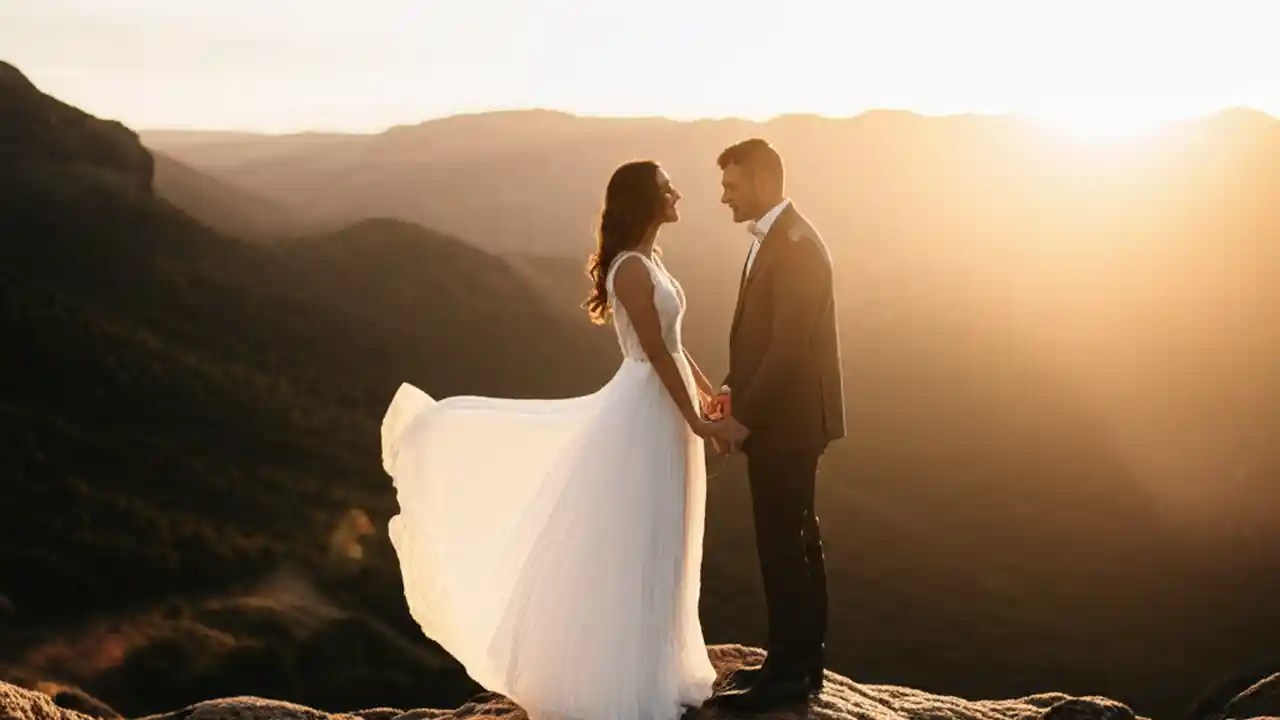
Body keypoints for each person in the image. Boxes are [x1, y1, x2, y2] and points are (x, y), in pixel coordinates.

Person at [380, 160, 719, 720]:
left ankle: (662, 660)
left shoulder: (651, 259)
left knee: (670, 530)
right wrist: (699, 419)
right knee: (644, 532)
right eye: (666, 187)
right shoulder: (632, 268)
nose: (677, 193)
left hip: (665, 406)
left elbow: (676, 346)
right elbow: (656, 355)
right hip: (646, 411)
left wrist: (708, 394)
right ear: (645, 200)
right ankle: (625, 678)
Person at [706, 138, 847, 711]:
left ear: (763, 183)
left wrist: (743, 418)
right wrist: (731, 392)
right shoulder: (781, 239)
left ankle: (790, 674)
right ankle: (797, 661)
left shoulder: (794, 246)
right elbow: (763, 341)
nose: (723, 196)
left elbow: (789, 348)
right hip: (783, 416)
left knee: (783, 543)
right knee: (796, 538)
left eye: (731, 185)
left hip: (788, 423)